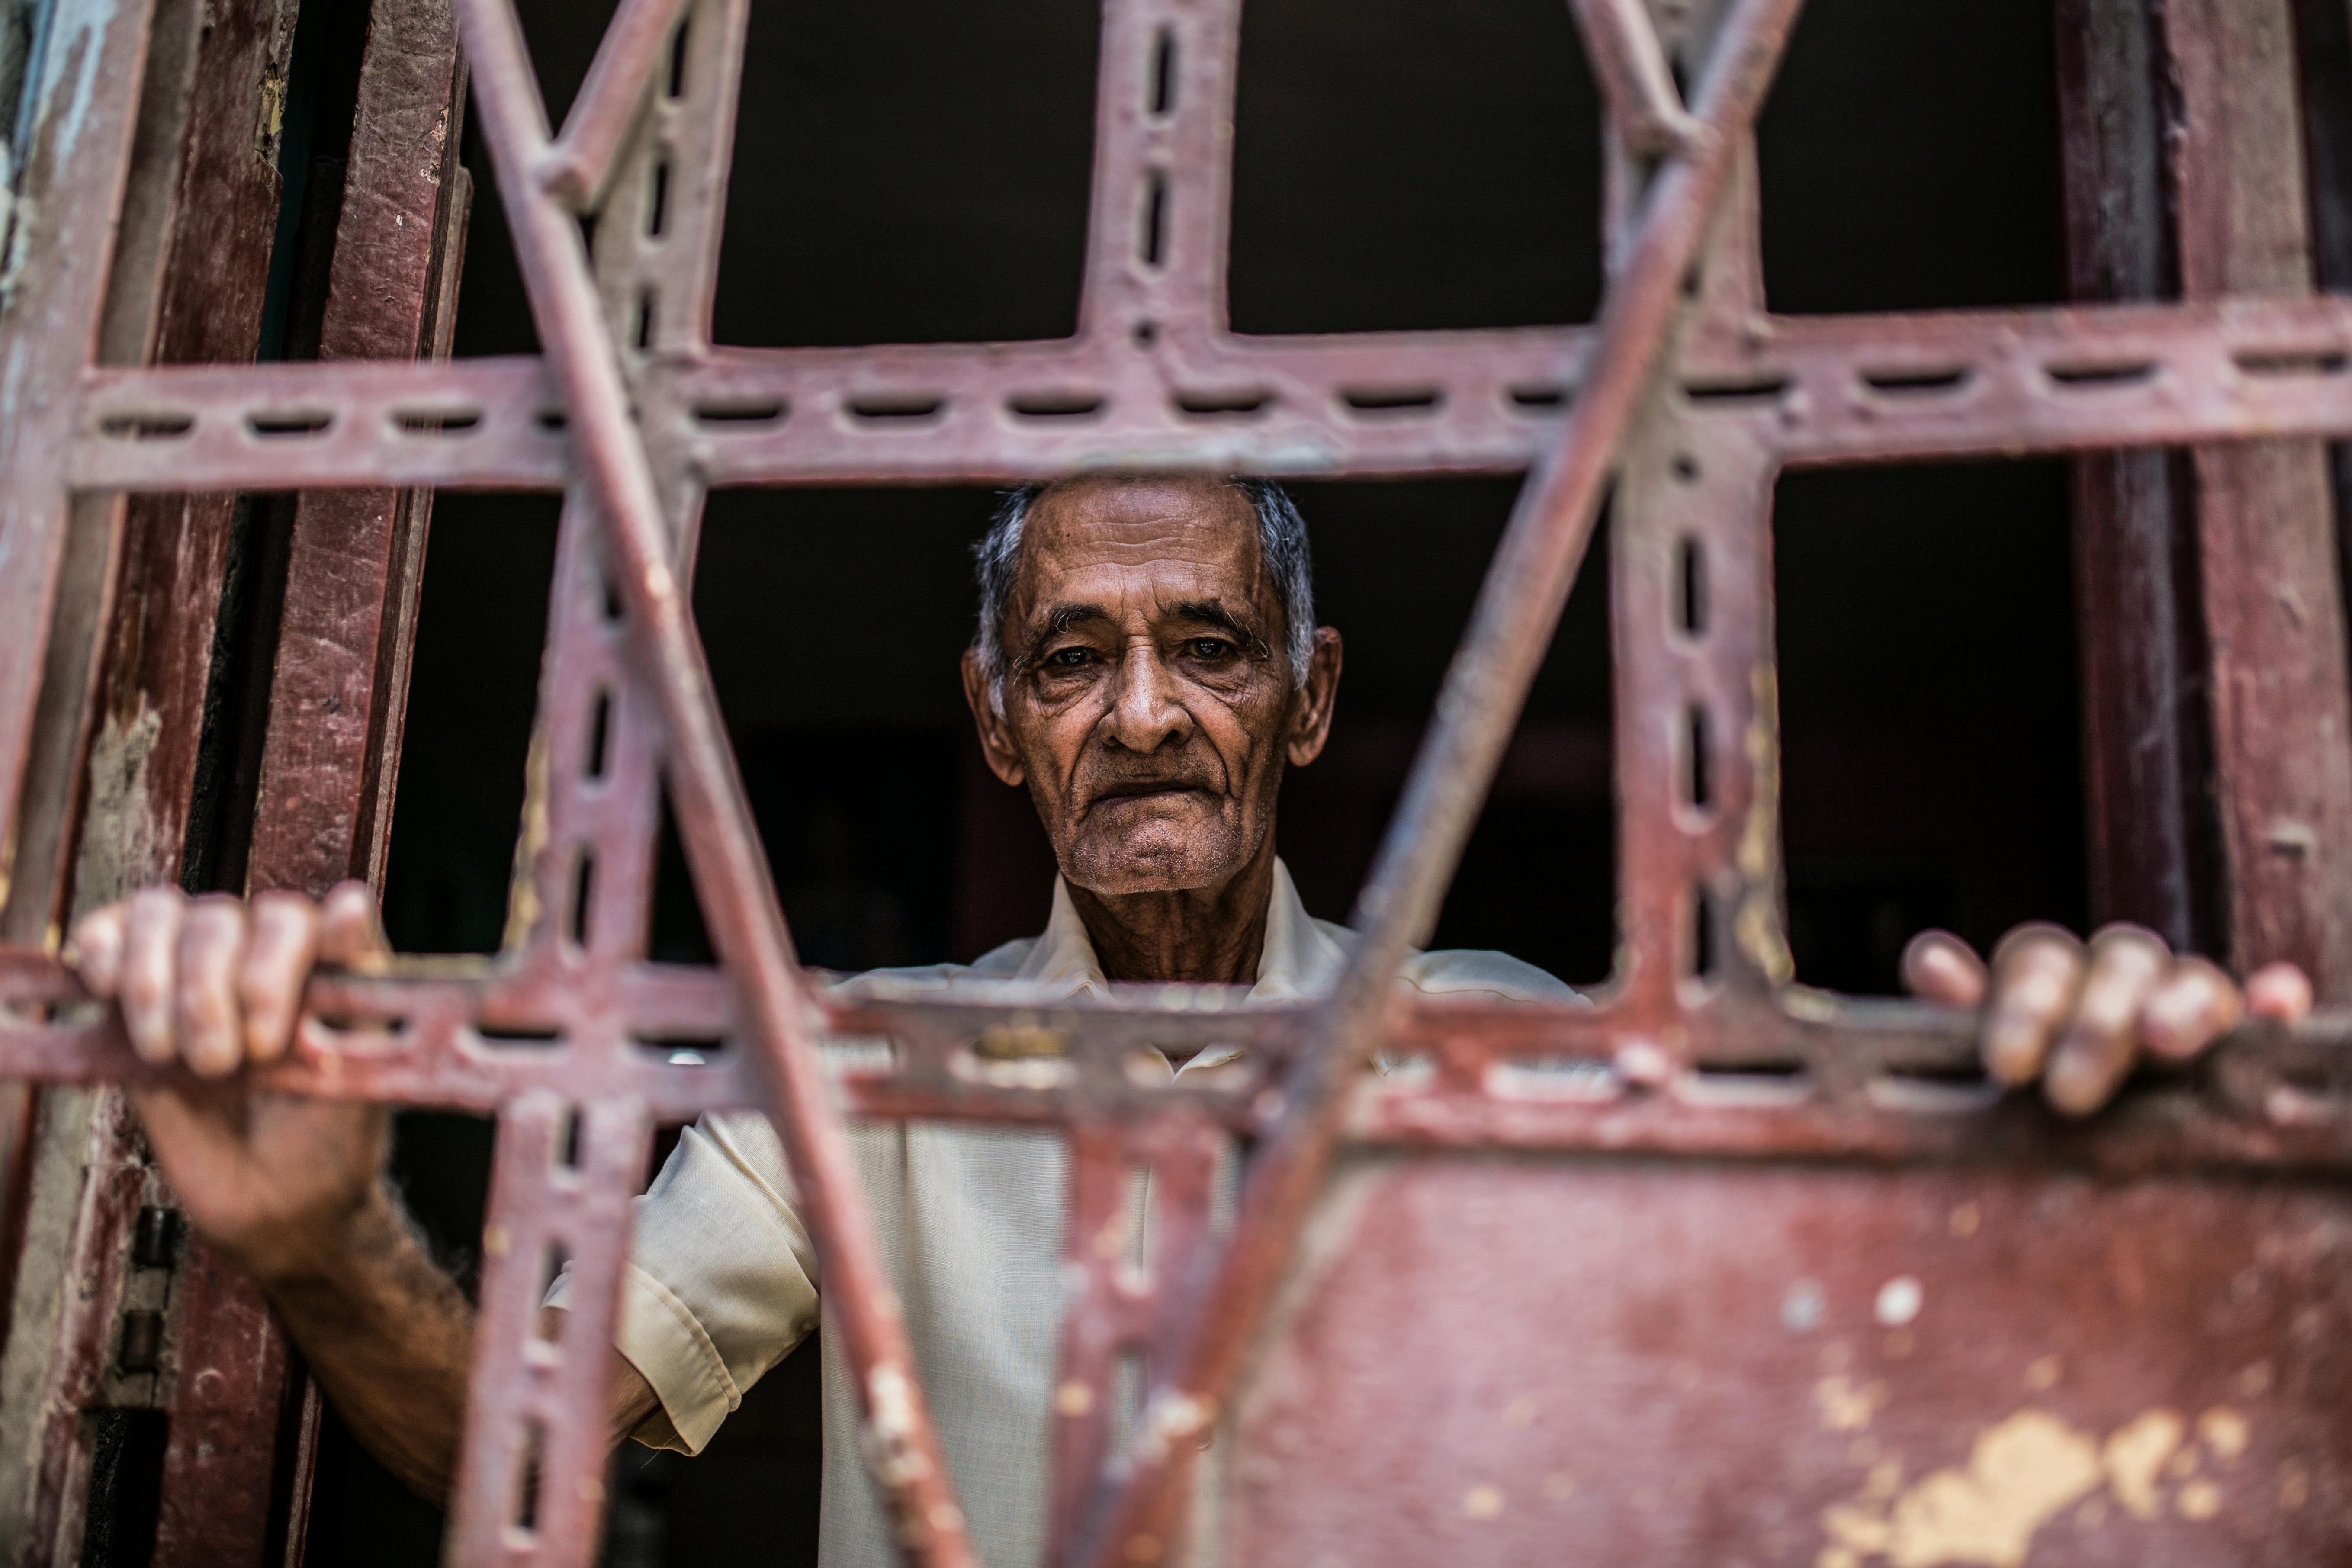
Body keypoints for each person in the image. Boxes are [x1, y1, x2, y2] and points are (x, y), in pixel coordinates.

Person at [63, 474, 2313, 1566]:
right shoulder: (867, 1067)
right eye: (1071, 661)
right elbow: (550, 1445)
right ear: (999, 725)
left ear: (1307, 697)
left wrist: (2084, 1176)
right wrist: (317, 1238)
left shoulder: (1506, 1048)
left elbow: (1841, 1398)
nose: (1142, 713)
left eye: (1209, 647)